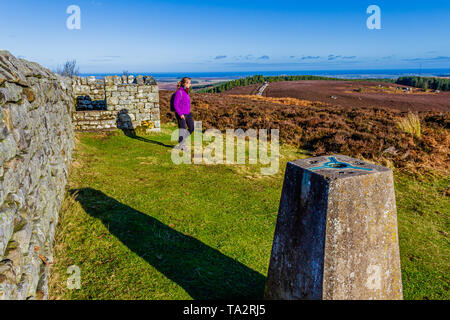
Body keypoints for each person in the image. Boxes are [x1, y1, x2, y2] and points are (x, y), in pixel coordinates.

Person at [172, 77, 194, 150]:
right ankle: (182, 144)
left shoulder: (186, 92)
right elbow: (175, 104)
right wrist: (180, 114)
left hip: (188, 113)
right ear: (185, 83)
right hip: (181, 114)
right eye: (189, 83)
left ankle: (181, 139)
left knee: (191, 128)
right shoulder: (179, 92)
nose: (190, 85)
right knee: (182, 129)